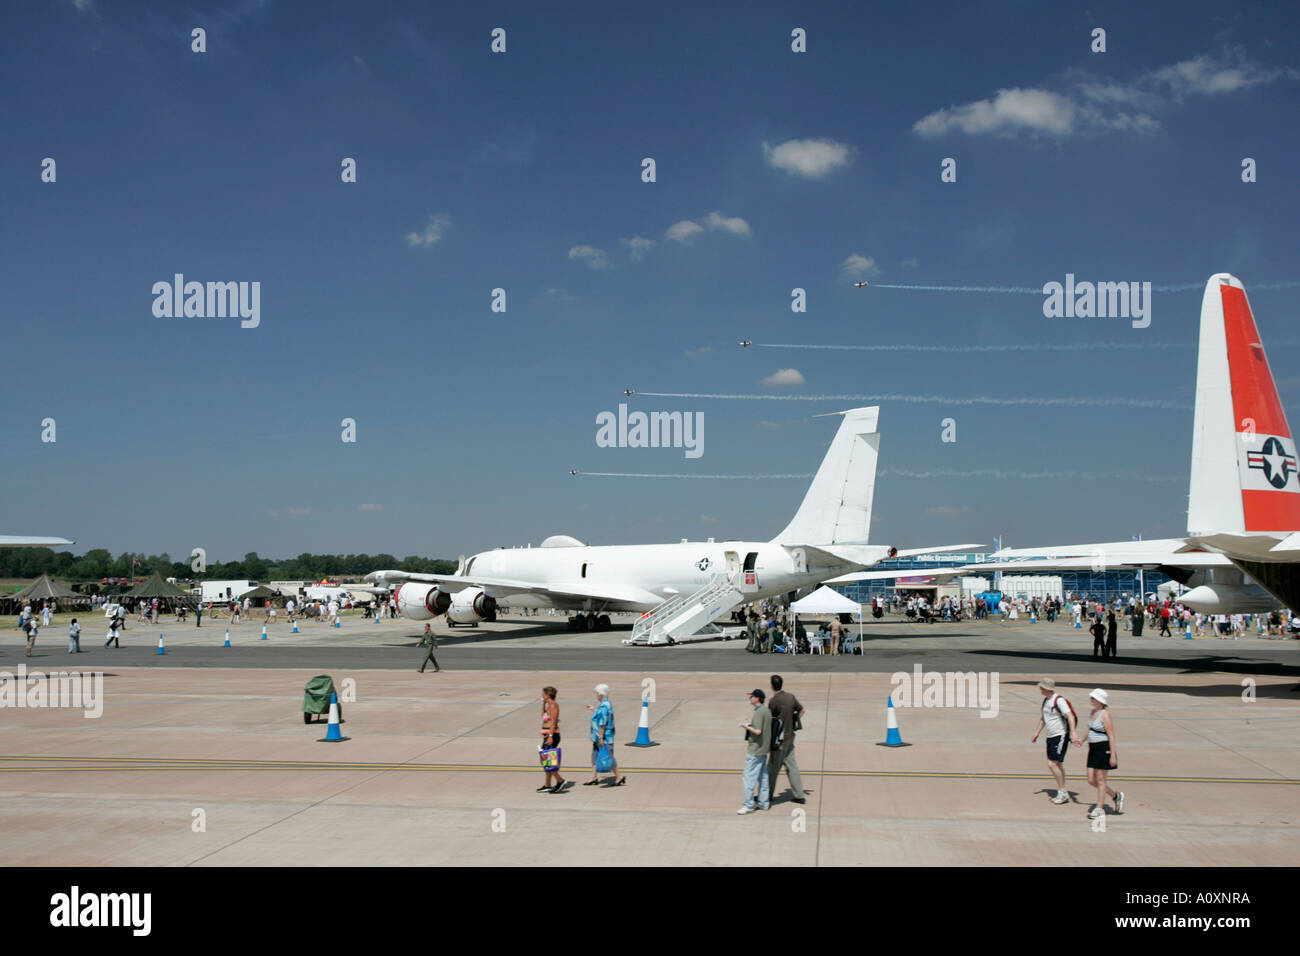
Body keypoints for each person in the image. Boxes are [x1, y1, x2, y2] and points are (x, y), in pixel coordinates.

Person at [1032, 678, 1081, 804]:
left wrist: (1073, 733)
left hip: (1060, 735)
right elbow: (1044, 718)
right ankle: (1062, 790)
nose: (1040, 689)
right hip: (1051, 736)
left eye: (1041, 687)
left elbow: (1069, 716)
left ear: (1047, 688)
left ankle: (1062, 791)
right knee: (1057, 764)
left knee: (1052, 764)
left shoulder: (1059, 700)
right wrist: (1037, 733)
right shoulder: (1046, 701)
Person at [766, 675, 806, 804]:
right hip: (790, 737)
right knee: (791, 766)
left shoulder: (773, 701)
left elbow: (769, 720)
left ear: (772, 685)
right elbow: (802, 711)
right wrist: (794, 721)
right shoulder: (790, 697)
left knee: (773, 767)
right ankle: (799, 795)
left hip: (780, 739)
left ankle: (766, 795)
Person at [1085, 689, 1123, 818]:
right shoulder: (1093, 712)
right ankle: (1115, 796)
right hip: (1093, 749)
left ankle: (1099, 809)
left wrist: (1112, 754)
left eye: (1093, 698)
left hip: (1103, 748)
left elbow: (1111, 735)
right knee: (1091, 780)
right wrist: (1082, 740)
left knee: (1100, 780)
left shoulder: (1105, 714)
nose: (1091, 700)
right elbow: (1091, 728)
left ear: (1100, 701)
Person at [737, 688, 771, 814]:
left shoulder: (759, 712)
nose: (750, 698)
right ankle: (763, 802)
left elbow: (758, 731)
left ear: (758, 698)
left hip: (755, 750)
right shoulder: (766, 711)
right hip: (763, 749)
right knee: (763, 777)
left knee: (748, 778)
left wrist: (746, 726)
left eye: (752, 696)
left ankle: (748, 804)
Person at [586, 684, 624, 786]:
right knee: (594, 756)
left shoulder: (604, 706)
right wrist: (593, 709)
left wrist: (601, 737)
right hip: (598, 737)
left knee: (608, 756)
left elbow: (602, 723)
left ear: (601, 694)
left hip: (604, 737)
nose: (596, 695)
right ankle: (594, 777)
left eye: (597, 693)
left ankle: (619, 777)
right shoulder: (606, 703)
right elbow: (601, 715)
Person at [538, 686, 566, 794]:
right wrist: (543, 704)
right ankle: (548, 784)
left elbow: (553, 722)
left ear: (548, 695)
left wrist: (550, 736)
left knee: (546, 761)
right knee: (546, 760)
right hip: (547, 735)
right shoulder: (549, 705)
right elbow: (543, 716)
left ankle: (560, 780)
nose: (542, 696)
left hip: (552, 736)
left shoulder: (554, 705)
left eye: (543, 694)